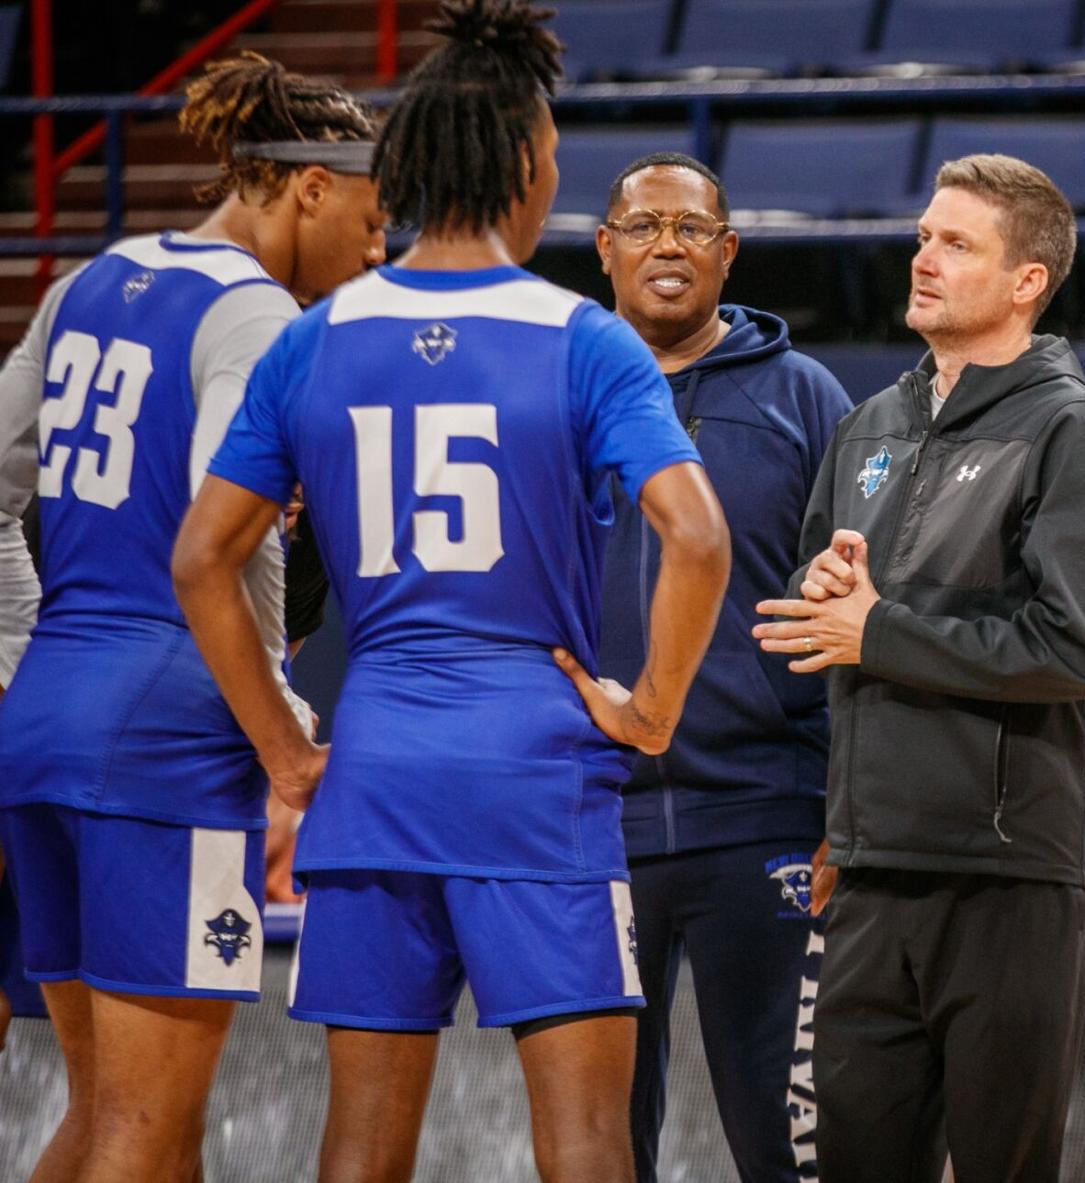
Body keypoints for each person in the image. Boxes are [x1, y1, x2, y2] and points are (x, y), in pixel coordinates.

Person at [172, 5, 730, 1182]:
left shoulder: (313, 338)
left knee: (363, 1145)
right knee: (583, 1140)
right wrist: (654, 710)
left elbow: (201, 560)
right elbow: (699, 536)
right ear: (526, 167)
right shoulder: (585, 337)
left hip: (375, 767)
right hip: (535, 769)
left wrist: (282, 745)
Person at [0, 54, 383, 1182]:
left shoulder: (91, 277)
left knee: (116, 1113)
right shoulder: (262, 318)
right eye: (371, 221)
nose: (374, 254)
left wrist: (25, 649)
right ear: (310, 188)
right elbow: (218, 550)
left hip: (42, 725)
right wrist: (281, 738)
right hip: (166, 741)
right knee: (147, 1123)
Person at [753, 153, 1085, 1182]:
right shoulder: (867, 427)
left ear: (1027, 281)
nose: (923, 257)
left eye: (956, 242)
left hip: (1010, 875)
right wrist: (825, 588)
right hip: (874, 869)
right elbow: (821, 617)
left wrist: (878, 628)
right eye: (925, 235)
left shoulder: (1077, 434)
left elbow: (1082, 646)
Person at [595, 152, 851, 1182]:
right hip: (593, 823)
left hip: (767, 820)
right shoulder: (558, 391)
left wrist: (848, 805)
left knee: (787, 1149)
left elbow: (855, 615)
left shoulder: (805, 396)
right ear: (604, 248)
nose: (667, 244)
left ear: (727, 251)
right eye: (644, 225)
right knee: (598, 1147)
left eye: (691, 228)